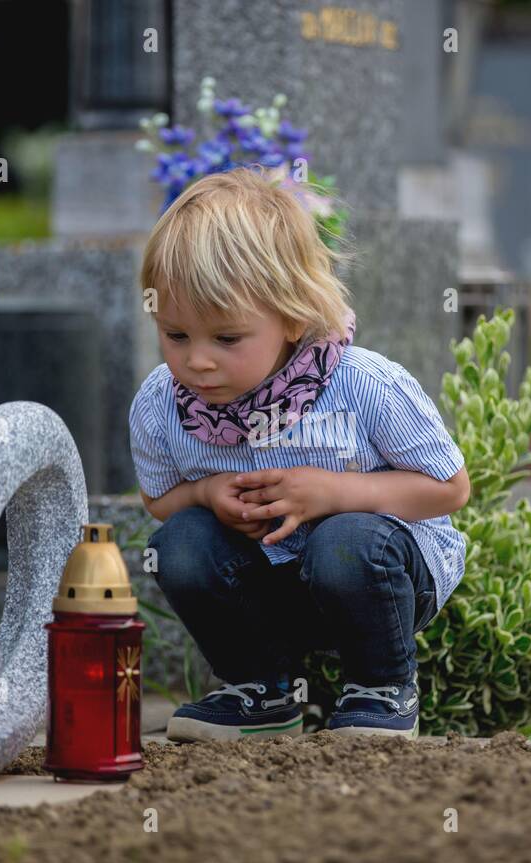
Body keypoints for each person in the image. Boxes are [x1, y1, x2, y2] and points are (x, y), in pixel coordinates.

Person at [128, 165, 470, 742]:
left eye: (226, 338)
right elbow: (159, 500)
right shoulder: (164, 403)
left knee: (346, 540)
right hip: (267, 584)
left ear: (291, 317)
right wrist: (207, 494)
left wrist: (334, 493)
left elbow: (449, 488)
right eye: (176, 335)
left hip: (376, 576)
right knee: (179, 542)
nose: (198, 361)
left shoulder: (362, 385)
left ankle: (382, 686)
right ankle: (259, 691)